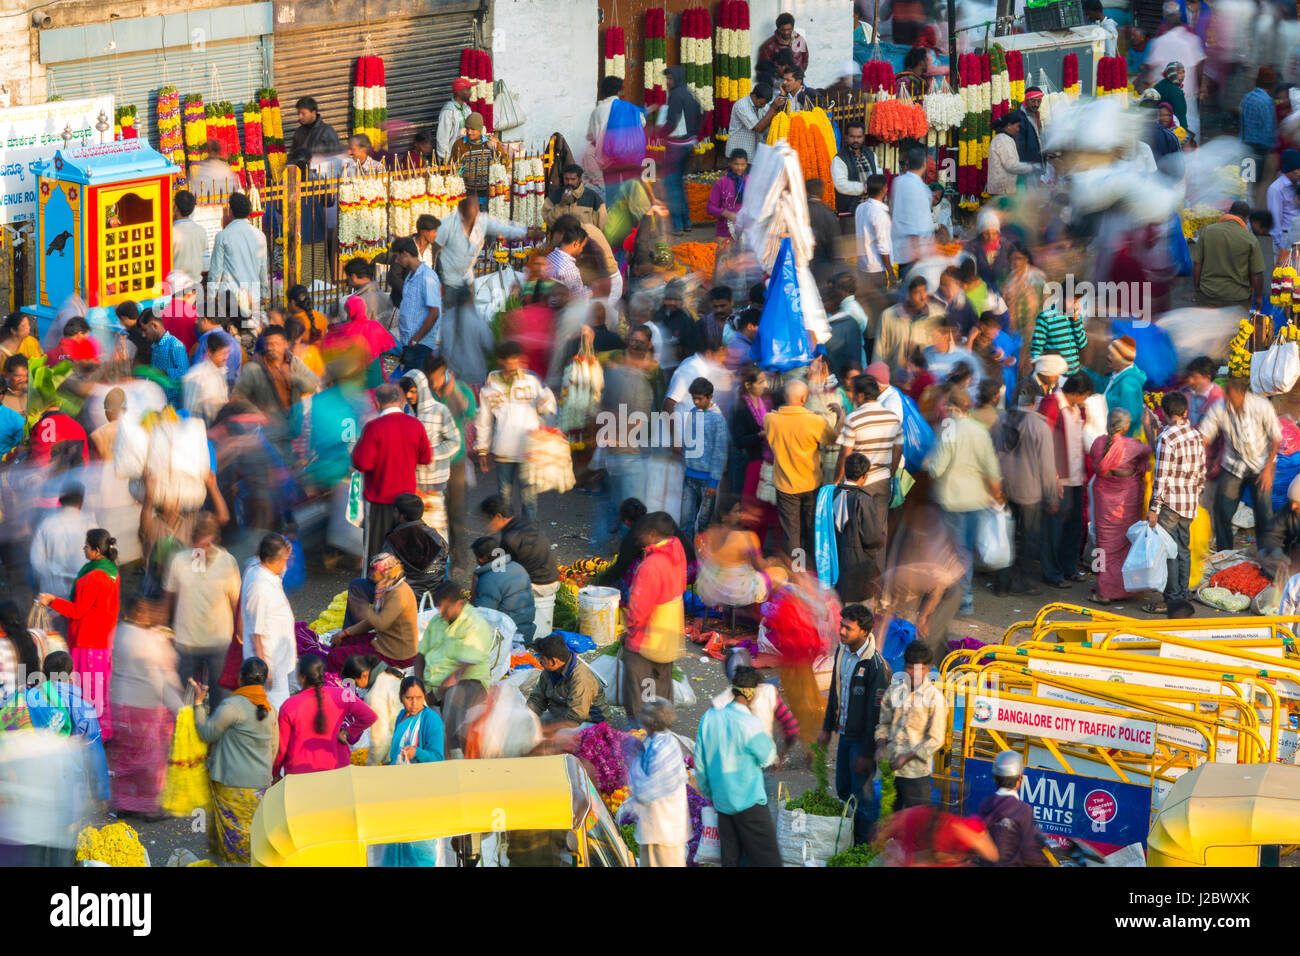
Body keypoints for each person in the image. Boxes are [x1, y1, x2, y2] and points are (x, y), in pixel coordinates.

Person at [925, 385, 1004, 615]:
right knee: (966, 548)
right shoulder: (980, 431)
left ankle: (960, 597)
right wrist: (997, 495)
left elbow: (937, 470)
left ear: (952, 408)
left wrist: (928, 462)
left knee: (954, 549)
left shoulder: (949, 431)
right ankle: (964, 595)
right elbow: (991, 468)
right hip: (975, 500)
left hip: (952, 500)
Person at [435, 196, 529, 385]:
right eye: (470, 215)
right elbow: (436, 246)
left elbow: (502, 227)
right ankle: (454, 359)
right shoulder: (448, 224)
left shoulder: (482, 221)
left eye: (476, 213)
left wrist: (523, 231)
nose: (474, 218)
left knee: (467, 318)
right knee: (449, 319)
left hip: (467, 278)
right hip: (449, 279)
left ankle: (462, 351)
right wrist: (435, 275)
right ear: (461, 212)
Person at [192, 656, 277, 863]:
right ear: (263, 681)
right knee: (253, 833)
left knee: (233, 840)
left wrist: (198, 704)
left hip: (232, 784)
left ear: (240, 678)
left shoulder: (233, 706)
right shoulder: (270, 708)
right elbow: (274, 747)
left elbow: (207, 733)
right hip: (260, 784)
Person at [816, 603, 890, 843]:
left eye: (848, 628)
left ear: (864, 632)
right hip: (844, 734)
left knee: (864, 799)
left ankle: (862, 847)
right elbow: (835, 694)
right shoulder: (842, 651)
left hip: (862, 741)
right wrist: (827, 728)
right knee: (844, 790)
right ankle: (848, 839)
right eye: (842, 625)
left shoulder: (875, 666)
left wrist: (867, 753)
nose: (842, 631)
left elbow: (875, 714)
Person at [694, 665, 781, 866]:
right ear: (751, 694)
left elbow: (700, 762)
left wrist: (710, 792)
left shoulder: (709, 717)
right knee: (767, 858)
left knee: (730, 858)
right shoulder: (750, 723)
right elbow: (767, 757)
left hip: (722, 802)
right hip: (749, 802)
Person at [38, 528, 121, 739]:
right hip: (103, 639)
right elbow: (93, 605)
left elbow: (77, 610)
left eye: (86, 546)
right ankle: (103, 731)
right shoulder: (111, 570)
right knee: (99, 690)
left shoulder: (93, 576)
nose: (84, 549)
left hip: (88, 641)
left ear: (95, 550)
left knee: (86, 691)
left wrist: (52, 600)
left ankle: (91, 735)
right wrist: (57, 612)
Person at [108, 598, 181, 820]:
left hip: (121, 702)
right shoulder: (151, 640)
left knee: (126, 754)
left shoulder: (119, 632)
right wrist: (179, 708)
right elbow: (160, 678)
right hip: (146, 704)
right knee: (151, 757)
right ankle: (150, 806)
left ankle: (124, 803)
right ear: (140, 613)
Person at [164, 511, 241, 705]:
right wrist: (166, 633)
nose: (202, 551)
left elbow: (235, 603)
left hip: (219, 643)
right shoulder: (178, 561)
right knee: (184, 702)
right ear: (190, 541)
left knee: (221, 699)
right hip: (186, 643)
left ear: (215, 541)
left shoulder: (227, 562)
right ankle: (186, 734)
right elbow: (169, 600)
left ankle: (215, 733)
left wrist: (240, 639)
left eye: (207, 545)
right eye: (197, 545)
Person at [476, 341, 557, 521]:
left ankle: (529, 536)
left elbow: (549, 406)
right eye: (508, 362)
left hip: (529, 449)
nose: (512, 366)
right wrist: (482, 450)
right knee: (504, 498)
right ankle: (508, 536)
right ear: (500, 361)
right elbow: (484, 420)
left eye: (516, 361)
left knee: (529, 498)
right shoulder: (489, 386)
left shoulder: (532, 380)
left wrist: (544, 403)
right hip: (504, 449)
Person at [352, 382, 433, 562]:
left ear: (378, 402)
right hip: (408, 501)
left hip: (381, 500)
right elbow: (426, 457)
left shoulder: (374, 427)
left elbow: (361, 463)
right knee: (405, 552)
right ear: (399, 400)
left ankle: (378, 588)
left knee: (378, 554)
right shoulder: (415, 424)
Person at [1143, 391, 1207, 614]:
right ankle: (1182, 593)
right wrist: (1196, 494)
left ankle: (1171, 598)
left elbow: (1162, 478)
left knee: (1170, 551)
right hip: (1189, 502)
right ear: (1185, 412)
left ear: (1165, 413)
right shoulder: (1196, 434)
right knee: (1183, 549)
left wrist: (1154, 509)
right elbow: (1202, 472)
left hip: (1169, 504)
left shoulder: (1166, 438)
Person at [1199, 377, 1279, 556]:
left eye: (1232, 398)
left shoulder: (1261, 406)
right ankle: (1224, 555)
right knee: (1223, 512)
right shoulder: (1220, 407)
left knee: (1264, 514)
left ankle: (1265, 556)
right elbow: (1205, 435)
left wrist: (1267, 470)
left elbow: (1276, 438)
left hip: (1261, 465)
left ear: (1243, 395)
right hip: (1233, 465)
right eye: (1227, 397)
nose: (1229, 402)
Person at [417, 579, 495, 756]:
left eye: (445, 608)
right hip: (435, 684)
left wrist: (438, 692)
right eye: (439, 608)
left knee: (453, 697)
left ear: (459, 604)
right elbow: (420, 656)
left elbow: (460, 670)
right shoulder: (437, 622)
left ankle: (455, 752)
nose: (441, 613)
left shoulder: (475, 624)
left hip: (468, 682)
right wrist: (419, 685)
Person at [765, 379, 840, 558]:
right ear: (804, 398)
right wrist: (837, 416)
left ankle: (797, 568)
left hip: (785, 485)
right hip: (811, 483)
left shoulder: (770, 419)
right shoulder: (815, 421)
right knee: (812, 526)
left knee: (792, 532)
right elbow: (832, 440)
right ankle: (814, 566)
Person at [623, 512, 686, 724]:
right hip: (668, 637)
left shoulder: (651, 565)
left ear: (652, 534)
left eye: (640, 535)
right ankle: (664, 730)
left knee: (642, 692)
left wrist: (628, 626)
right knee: (661, 686)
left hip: (645, 639)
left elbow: (639, 608)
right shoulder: (677, 552)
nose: (637, 539)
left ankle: (642, 734)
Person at [990, 399, 1056, 596]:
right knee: (1028, 539)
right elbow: (1047, 466)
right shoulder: (1039, 427)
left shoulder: (1000, 420)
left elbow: (991, 454)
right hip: (1030, 492)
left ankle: (1001, 584)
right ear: (1034, 402)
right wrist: (1052, 496)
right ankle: (1025, 581)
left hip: (1003, 488)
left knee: (1004, 535)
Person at [274, 654, 376, 777]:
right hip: (337, 768)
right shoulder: (342, 694)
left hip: (301, 773)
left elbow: (281, 748)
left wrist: (275, 773)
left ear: (301, 677)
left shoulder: (289, 705)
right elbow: (369, 716)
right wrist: (348, 732)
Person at [1088, 408, 1151, 603]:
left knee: (1103, 544)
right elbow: (1153, 450)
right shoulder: (1134, 446)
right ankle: (1126, 588)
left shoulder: (1098, 443)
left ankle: (1103, 588)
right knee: (1127, 543)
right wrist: (1148, 426)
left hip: (1103, 500)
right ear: (1125, 427)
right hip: (1127, 501)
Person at [876, 640, 945, 809]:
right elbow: (883, 724)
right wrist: (880, 747)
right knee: (889, 822)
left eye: (919, 669)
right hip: (891, 770)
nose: (913, 673)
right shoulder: (894, 691)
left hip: (916, 775)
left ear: (928, 669)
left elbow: (936, 739)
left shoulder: (935, 699)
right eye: (909, 667)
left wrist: (907, 757)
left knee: (915, 825)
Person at [622, 696, 690, 867]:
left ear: (651, 722)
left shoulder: (662, 748)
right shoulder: (655, 742)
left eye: (645, 714)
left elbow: (647, 791)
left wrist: (630, 805)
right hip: (656, 827)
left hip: (665, 830)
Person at [1039, 372, 1092, 589]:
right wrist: (1053, 476)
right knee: (1054, 528)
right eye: (1085, 395)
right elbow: (1043, 441)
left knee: (1074, 525)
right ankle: (1052, 573)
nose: (1086, 400)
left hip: (1076, 476)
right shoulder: (1052, 404)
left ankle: (1068, 567)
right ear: (1076, 393)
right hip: (1058, 477)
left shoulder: (1077, 408)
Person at [331, 553, 420, 670]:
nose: (370, 574)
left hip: (396, 655)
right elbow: (372, 621)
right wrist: (344, 633)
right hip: (383, 642)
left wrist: (363, 608)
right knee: (343, 641)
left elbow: (381, 624)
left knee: (335, 656)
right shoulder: (385, 588)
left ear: (386, 573)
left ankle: (339, 683)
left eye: (374, 571)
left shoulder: (399, 594)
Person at [241, 533, 297, 709]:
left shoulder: (259, 568)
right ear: (276, 560)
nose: (286, 564)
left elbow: (278, 573)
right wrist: (264, 670)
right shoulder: (259, 587)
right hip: (269, 662)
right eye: (285, 560)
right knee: (276, 707)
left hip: (279, 657)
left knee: (283, 700)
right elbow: (256, 633)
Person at [978, 750, 1050, 866]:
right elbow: (1030, 853)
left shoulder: (985, 805)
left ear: (995, 778)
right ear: (1020, 779)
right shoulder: (1023, 810)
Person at [1192, 201, 1265, 311]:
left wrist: (1197, 288)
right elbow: (1257, 273)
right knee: (1235, 329)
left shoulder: (1208, 231)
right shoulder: (1250, 239)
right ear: (1246, 218)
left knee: (1208, 328)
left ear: (1230, 212)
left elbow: (1197, 264)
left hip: (1208, 295)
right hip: (1237, 299)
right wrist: (1258, 297)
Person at [680, 377, 728, 542]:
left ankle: (701, 557)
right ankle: (687, 555)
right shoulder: (693, 413)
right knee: (686, 519)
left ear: (710, 397)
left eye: (699, 398)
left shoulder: (718, 420)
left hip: (707, 480)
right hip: (690, 476)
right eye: (693, 398)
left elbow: (719, 452)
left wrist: (714, 482)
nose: (696, 401)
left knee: (703, 522)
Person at [30, 484, 98, 601]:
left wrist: (52, 574)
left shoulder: (46, 524)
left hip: (53, 589)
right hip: (83, 588)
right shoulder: (90, 523)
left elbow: (36, 560)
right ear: (81, 502)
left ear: (60, 502)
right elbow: (100, 558)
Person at [207, 192, 269, 319]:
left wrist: (211, 298)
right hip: (253, 298)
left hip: (231, 301)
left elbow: (216, 271)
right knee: (252, 334)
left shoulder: (223, 236)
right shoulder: (260, 236)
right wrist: (264, 294)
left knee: (233, 334)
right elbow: (263, 268)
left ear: (231, 211)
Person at [528, 632, 607, 726]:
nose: (539, 661)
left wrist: (546, 731)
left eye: (541, 658)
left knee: (558, 734)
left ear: (553, 661)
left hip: (591, 723)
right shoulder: (548, 672)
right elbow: (537, 699)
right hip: (561, 716)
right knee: (530, 724)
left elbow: (576, 717)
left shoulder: (581, 678)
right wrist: (527, 717)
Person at [658, 66, 701, 237]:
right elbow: (700, 114)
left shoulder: (676, 95)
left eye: (670, 79)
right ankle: (686, 222)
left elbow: (672, 121)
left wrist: (657, 134)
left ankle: (677, 225)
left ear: (676, 79)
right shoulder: (688, 93)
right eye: (666, 79)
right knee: (678, 184)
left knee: (671, 185)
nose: (667, 82)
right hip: (688, 143)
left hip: (675, 145)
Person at [471, 535, 535, 646]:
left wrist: (474, 588)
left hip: (508, 640)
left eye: (477, 557)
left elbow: (482, 616)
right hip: (526, 634)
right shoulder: (517, 566)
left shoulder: (488, 579)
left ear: (482, 558)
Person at [876, 275, 943, 370]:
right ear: (907, 294)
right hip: (896, 379)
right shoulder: (888, 316)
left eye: (924, 290)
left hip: (926, 380)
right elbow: (879, 353)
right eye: (916, 292)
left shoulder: (936, 315)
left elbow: (943, 350)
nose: (922, 297)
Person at [391, 236, 442, 359]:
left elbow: (434, 313)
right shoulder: (410, 276)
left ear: (405, 254)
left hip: (420, 345)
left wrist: (415, 340)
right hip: (411, 344)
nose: (396, 261)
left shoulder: (427, 276)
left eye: (397, 256)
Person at [890, 147, 934, 279]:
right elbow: (916, 221)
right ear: (924, 165)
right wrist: (918, 251)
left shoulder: (898, 182)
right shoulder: (920, 188)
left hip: (902, 249)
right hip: (915, 252)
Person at [449, 113, 510, 198]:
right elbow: (451, 168)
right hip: (468, 195)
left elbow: (505, 163)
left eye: (473, 129)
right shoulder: (459, 145)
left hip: (490, 195)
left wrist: (495, 149)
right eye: (467, 128)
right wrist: (465, 175)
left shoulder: (491, 142)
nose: (469, 132)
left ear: (480, 129)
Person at [855, 174, 892, 308]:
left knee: (865, 307)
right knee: (878, 307)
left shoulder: (860, 208)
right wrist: (891, 273)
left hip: (862, 266)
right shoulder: (879, 214)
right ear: (883, 190)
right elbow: (883, 247)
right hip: (876, 270)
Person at [832, 119, 880, 216]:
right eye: (852, 137)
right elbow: (841, 185)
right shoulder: (839, 159)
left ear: (863, 138)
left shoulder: (871, 154)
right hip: (851, 211)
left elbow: (878, 174)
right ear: (846, 137)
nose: (856, 140)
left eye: (859, 137)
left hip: (872, 209)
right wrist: (864, 187)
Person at [182, 332, 230, 426]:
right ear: (209, 353)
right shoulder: (197, 376)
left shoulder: (221, 371)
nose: (225, 357)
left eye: (227, 352)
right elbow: (189, 410)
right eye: (221, 353)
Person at [139, 313, 189, 402]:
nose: (143, 335)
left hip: (173, 403)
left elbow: (184, 372)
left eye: (144, 330)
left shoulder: (175, 345)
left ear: (154, 325)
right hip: (158, 399)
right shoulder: (155, 346)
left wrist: (161, 372)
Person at [1028, 301, 1087, 375]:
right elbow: (1036, 350)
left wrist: (1076, 320)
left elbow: (1082, 344)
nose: (1074, 304)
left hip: (1075, 375)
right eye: (1071, 300)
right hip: (1055, 376)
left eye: (1077, 301)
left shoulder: (1076, 315)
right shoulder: (1045, 316)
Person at [543, 164, 608, 229]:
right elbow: (549, 223)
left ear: (580, 179)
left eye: (573, 179)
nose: (569, 182)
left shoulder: (592, 196)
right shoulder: (555, 195)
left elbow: (603, 225)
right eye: (566, 179)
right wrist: (561, 205)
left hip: (585, 238)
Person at [726, 83, 779, 163]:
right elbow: (758, 128)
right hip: (738, 154)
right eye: (761, 103)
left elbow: (769, 116)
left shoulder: (762, 105)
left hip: (754, 155)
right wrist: (773, 108)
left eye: (765, 104)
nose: (764, 106)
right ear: (754, 96)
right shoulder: (742, 105)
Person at [706, 149, 748, 247]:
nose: (739, 168)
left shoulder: (751, 182)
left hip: (747, 233)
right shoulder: (721, 183)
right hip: (724, 232)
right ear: (730, 163)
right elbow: (710, 208)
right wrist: (726, 213)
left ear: (747, 164)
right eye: (736, 164)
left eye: (743, 164)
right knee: (725, 260)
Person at [988, 111, 1036, 196]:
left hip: (1001, 189)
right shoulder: (1004, 140)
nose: (1018, 130)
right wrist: (1031, 167)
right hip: (1003, 190)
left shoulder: (1001, 138)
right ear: (1009, 125)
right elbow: (1011, 165)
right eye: (1017, 126)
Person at [171, 190, 207, 284]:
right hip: (195, 283)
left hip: (177, 285)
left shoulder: (171, 233)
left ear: (175, 208)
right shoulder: (201, 230)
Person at [436, 78, 475, 164]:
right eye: (468, 89)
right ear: (458, 92)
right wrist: (445, 160)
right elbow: (442, 139)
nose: (470, 92)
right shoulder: (448, 111)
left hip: (466, 154)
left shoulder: (467, 109)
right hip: (453, 157)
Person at [1268, 150, 1300, 252]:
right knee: (1286, 268)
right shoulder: (1276, 189)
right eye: (1298, 169)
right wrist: (1282, 247)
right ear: (1290, 170)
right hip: (1285, 237)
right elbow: (1275, 220)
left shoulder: (1298, 184)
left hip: (1298, 233)